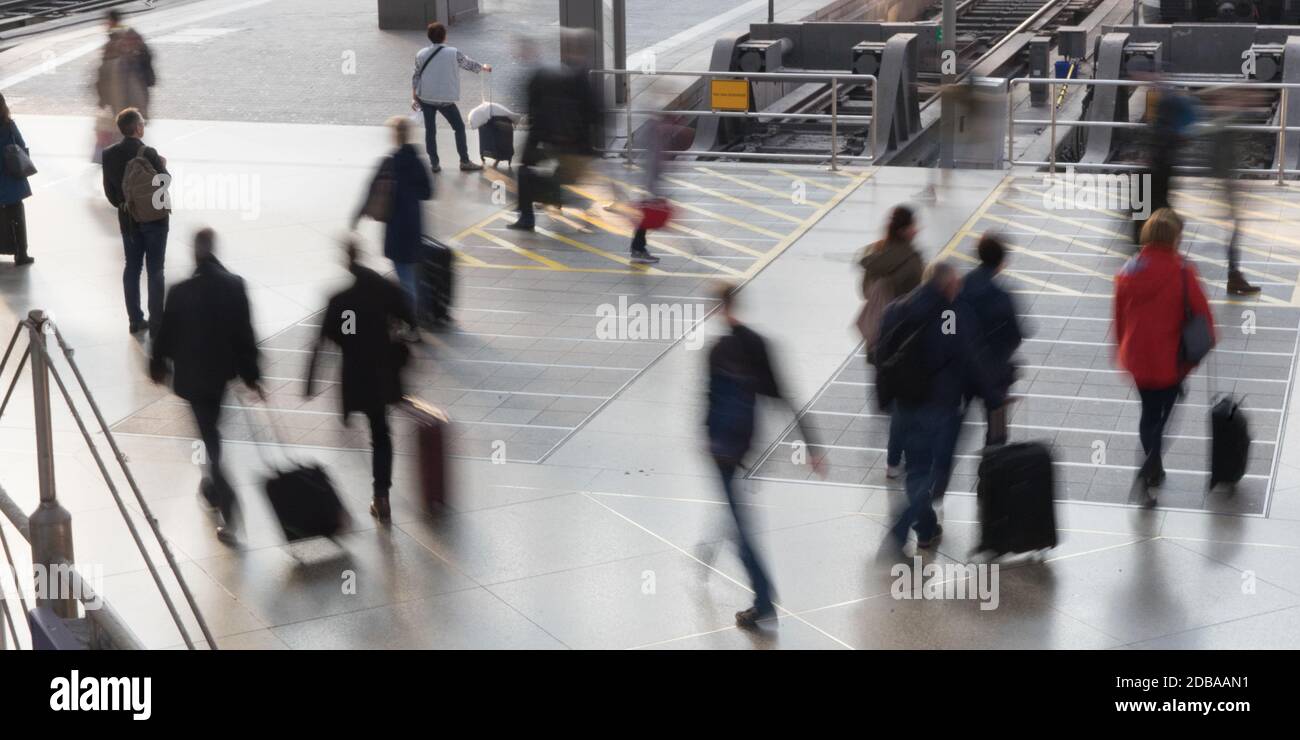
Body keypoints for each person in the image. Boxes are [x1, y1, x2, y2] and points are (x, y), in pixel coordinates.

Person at [706, 282, 825, 629]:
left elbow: (710, 401)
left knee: (741, 528)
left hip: (723, 448)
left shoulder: (716, 350)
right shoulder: (758, 344)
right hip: (745, 442)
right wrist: (812, 447)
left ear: (716, 309)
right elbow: (786, 396)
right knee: (733, 508)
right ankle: (713, 544)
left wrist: (708, 438)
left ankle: (763, 599)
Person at [875, 261, 1002, 556]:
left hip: (904, 404)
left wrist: (885, 397)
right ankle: (901, 529)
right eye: (956, 283)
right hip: (939, 407)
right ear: (946, 285)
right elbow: (972, 359)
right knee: (932, 472)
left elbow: (882, 355)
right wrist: (993, 398)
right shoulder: (952, 315)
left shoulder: (897, 309)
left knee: (916, 471)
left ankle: (926, 530)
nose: (959, 287)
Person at [150, 229, 261, 545]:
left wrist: (157, 365)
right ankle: (211, 490)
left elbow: (165, 334)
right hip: (219, 377)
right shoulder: (234, 286)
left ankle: (229, 506)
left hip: (191, 378)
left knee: (209, 438)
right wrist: (252, 375)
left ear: (194, 254)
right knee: (209, 433)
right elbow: (245, 335)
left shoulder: (180, 291)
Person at [305, 240, 418, 523]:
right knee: (381, 434)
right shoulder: (383, 289)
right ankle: (381, 495)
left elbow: (322, 342)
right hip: (382, 374)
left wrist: (310, 382)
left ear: (345, 261)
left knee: (361, 432)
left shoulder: (340, 300)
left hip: (355, 376)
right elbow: (410, 318)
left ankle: (349, 503)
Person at [1114, 208, 1215, 501]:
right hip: (1171, 360)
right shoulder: (1183, 271)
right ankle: (1147, 469)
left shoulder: (1128, 270)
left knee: (1148, 414)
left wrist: (1124, 349)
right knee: (1165, 417)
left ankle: (1153, 467)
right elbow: (1203, 316)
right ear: (1175, 237)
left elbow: (1119, 316)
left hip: (1138, 358)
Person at [508, 33, 602, 232]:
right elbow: (595, 113)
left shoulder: (560, 74)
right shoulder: (576, 74)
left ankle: (536, 210)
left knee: (529, 174)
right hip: (566, 140)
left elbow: (537, 107)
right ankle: (546, 203)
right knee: (546, 174)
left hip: (556, 138)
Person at [858, 205, 923, 480]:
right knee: (906, 402)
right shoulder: (913, 261)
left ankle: (895, 456)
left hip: (877, 337)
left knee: (889, 395)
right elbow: (919, 299)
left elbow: (863, 291)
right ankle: (901, 456)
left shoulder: (875, 254)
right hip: (904, 339)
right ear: (906, 230)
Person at [355, 117, 432, 322]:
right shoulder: (417, 161)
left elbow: (371, 189)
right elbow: (428, 192)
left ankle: (411, 321)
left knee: (404, 276)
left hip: (396, 225)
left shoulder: (390, 162)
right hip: (414, 224)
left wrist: (357, 216)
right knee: (411, 274)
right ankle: (418, 315)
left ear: (394, 136)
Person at [102, 107, 168, 336]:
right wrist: (164, 165)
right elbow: (164, 182)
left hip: (128, 218)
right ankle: (157, 319)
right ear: (137, 127)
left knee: (132, 267)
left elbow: (110, 194)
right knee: (155, 269)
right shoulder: (148, 152)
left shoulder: (108, 154)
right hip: (154, 219)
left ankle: (135, 319)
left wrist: (125, 203)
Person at [956, 233, 1024, 446]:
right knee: (996, 434)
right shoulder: (1002, 296)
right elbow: (1015, 335)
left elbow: (947, 326)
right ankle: (990, 473)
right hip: (994, 374)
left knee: (950, 429)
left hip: (961, 372)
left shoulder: (959, 288)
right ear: (1002, 262)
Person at [1203, 90, 1261, 296]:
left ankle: (1234, 275)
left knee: (1236, 227)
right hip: (1226, 183)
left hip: (1227, 182)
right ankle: (1234, 275)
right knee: (1236, 226)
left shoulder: (1221, 122)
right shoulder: (1222, 124)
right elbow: (1219, 159)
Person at [412, 21, 490, 173]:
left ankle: (434, 163)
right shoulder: (453, 52)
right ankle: (464, 161)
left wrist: (414, 97)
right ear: (444, 37)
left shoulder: (420, 54)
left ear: (429, 37)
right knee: (459, 128)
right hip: (445, 99)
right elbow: (467, 64)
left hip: (426, 97)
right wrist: (483, 68)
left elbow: (415, 76)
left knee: (430, 131)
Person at [96, 10, 155, 120]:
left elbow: (104, 73)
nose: (105, 26)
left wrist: (103, 99)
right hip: (134, 95)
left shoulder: (114, 44)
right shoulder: (131, 35)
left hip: (123, 94)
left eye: (107, 23)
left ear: (111, 22)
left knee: (125, 123)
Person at [0, 94, 34, 266]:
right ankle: (21, 253)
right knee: (16, 216)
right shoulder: (8, 125)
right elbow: (20, 144)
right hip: (10, 177)